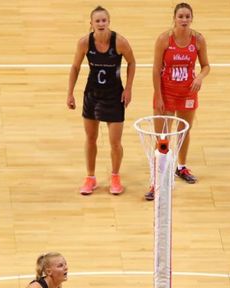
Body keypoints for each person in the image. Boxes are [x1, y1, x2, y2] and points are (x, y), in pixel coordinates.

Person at [68, 5, 136, 196]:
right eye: (97, 21)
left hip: (114, 96)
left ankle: (115, 176)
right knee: (91, 138)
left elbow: (132, 62)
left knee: (115, 141)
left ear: (108, 22)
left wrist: (129, 88)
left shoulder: (120, 42)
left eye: (104, 20)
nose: (100, 23)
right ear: (91, 24)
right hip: (93, 95)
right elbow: (75, 67)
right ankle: (90, 178)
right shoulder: (84, 43)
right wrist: (70, 93)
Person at [146, 2, 210, 201]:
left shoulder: (198, 40)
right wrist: (159, 95)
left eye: (187, 16)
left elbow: (206, 65)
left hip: (187, 93)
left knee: (184, 131)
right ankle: (158, 174)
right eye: (180, 16)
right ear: (174, 18)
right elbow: (156, 69)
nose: (184, 20)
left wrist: (199, 77)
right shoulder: (164, 39)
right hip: (166, 92)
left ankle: (181, 167)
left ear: (192, 18)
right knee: (162, 134)